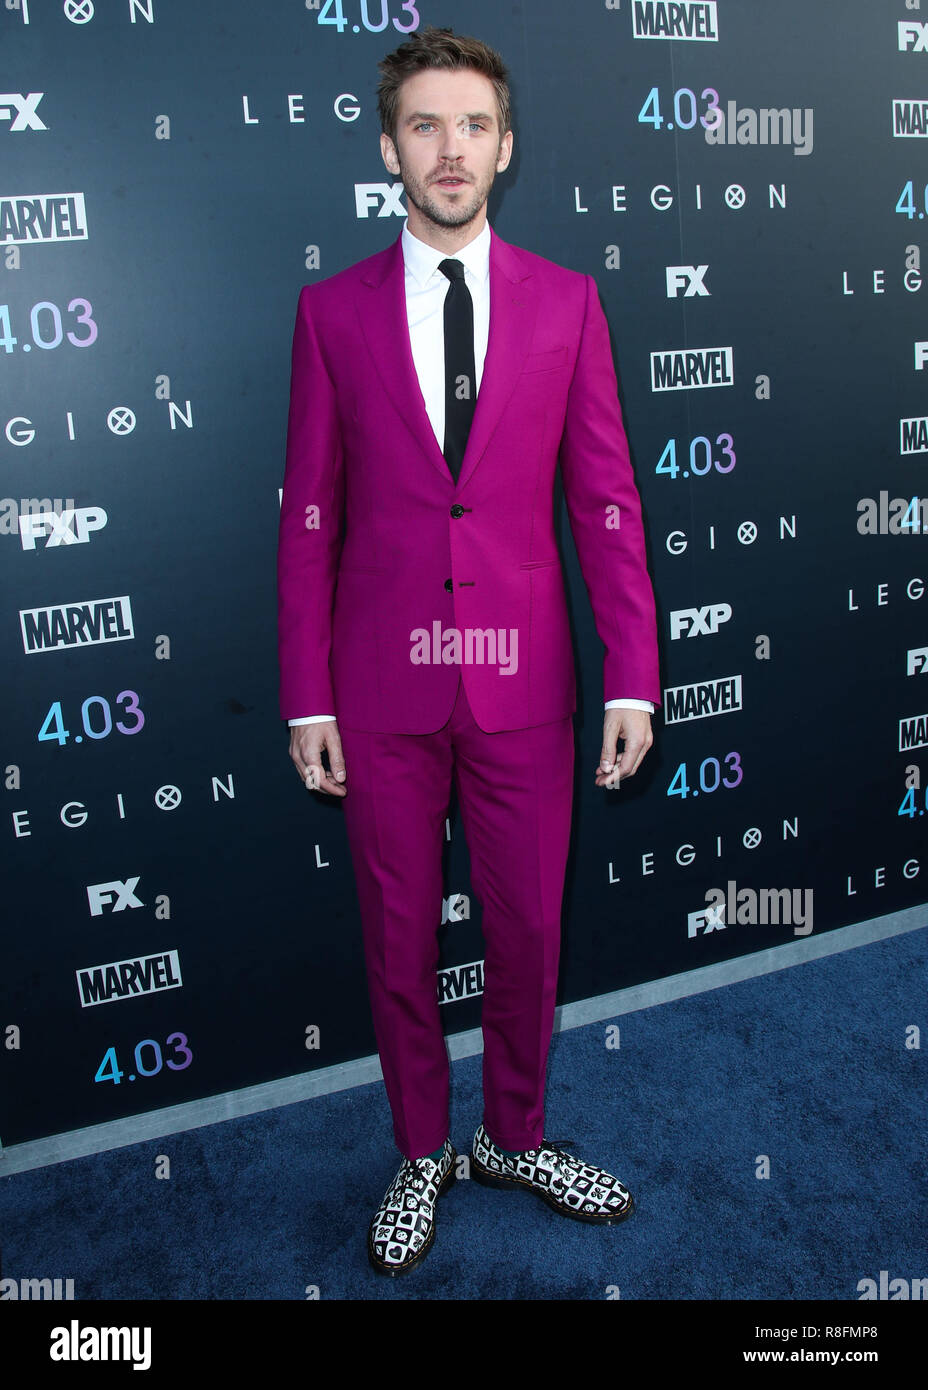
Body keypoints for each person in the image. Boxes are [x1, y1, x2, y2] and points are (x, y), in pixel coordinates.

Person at [277, 26, 660, 1277]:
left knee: (528, 929)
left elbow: (605, 499)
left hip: (524, 680)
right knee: (398, 935)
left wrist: (635, 671)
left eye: (474, 126)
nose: (451, 150)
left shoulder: (568, 301)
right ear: (389, 147)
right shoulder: (330, 312)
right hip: (380, 686)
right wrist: (304, 696)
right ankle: (420, 1150)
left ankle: (516, 1132)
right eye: (427, 126)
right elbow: (311, 513)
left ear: (507, 146)